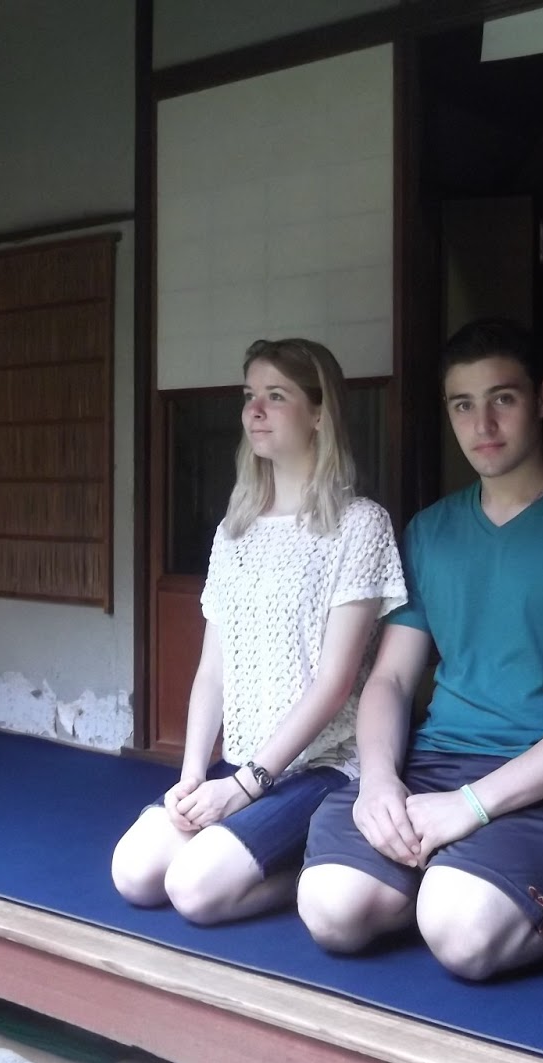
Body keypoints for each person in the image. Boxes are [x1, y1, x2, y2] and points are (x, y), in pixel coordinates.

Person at [297, 317, 543, 979]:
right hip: (436, 762)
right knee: (332, 909)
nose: (482, 424)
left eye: (503, 399)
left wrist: (472, 806)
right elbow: (391, 680)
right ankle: (445, 872)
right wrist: (378, 780)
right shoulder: (431, 531)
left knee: (461, 932)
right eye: (462, 405)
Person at [111, 338, 405, 925]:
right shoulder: (234, 531)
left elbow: (335, 683)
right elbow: (211, 672)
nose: (255, 410)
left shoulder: (361, 525)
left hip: (321, 766)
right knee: (135, 874)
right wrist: (193, 775)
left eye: (276, 396)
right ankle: (253, 848)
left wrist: (244, 788)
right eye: (250, 396)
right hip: (242, 762)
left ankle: (306, 871)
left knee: (194, 891)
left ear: (319, 413)